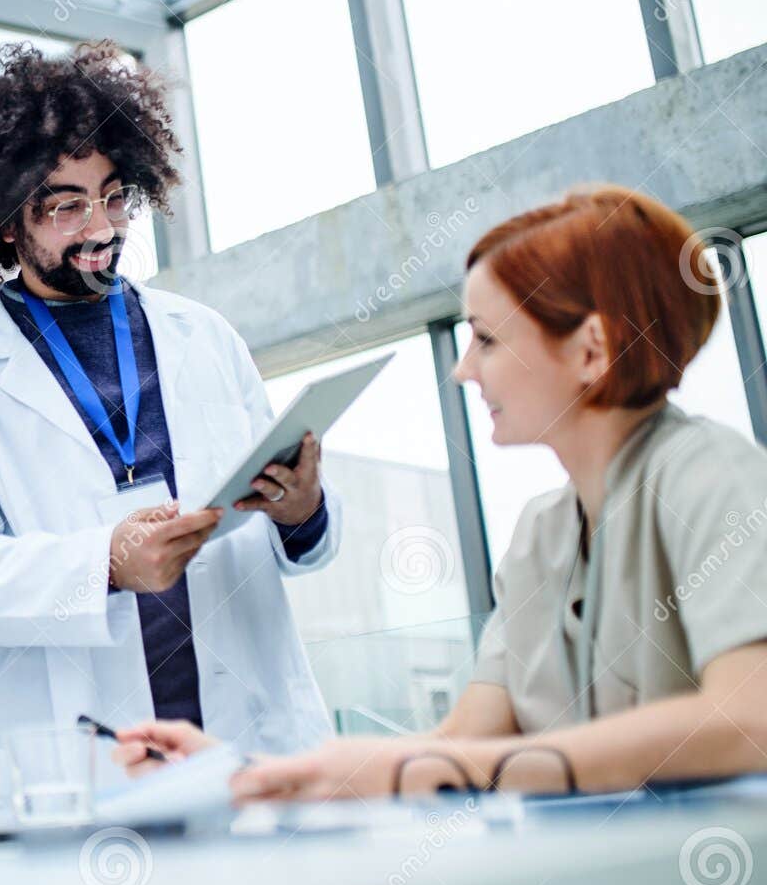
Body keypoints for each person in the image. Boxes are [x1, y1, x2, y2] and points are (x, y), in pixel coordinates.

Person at [113, 186, 767, 799]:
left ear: (591, 350)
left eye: (486, 339)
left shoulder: (711, 476)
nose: (463, 367)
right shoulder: (542, 533)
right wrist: (244, 770)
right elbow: (457, 743)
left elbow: (750, 719)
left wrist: (494, 767)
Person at [0, 42, 341, 821]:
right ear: (1, 224)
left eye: (115, 195)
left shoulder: (205, 335)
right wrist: (103, 564)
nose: (100, 228)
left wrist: (302, 512)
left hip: (250, 736)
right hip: (84, 757)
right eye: (64, 206)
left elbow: (287, 529)